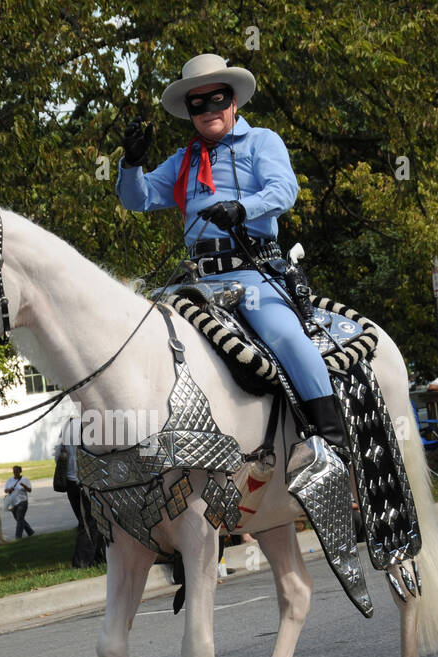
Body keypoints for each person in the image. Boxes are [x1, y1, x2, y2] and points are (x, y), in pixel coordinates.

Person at [116, 53, 346, 454]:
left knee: (285, 336)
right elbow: (140, 199)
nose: (209, 110)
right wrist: (131, 163)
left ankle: (333, 444)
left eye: (217, 99)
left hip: (254, 273)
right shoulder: (183, 159)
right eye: (198, 104)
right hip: (196, 282)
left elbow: (283, 191)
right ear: (189, 112)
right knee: (137, 331)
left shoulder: (262, 141)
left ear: (233, 101)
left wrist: (243, 209)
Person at [57, 416, 106, 567]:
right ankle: (81, 562)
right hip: (85, 483)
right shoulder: (88, 426)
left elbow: (58, 454)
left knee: (86, 521)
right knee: (90, 522)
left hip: (71, 483)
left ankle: (99, 558)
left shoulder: (67, 427)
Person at [4, 465, 34, 539]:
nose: (15, 473)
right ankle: (30, 531)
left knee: (20, 518)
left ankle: (18, 536)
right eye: (14, 471)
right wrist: (9, 490)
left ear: (20, 471)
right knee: (18, 519)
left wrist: (24, 486)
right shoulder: (10, 480)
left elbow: (30, 490)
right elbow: (5, 490)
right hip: (13, 503)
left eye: (17, 471)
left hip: (22, 502)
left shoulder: (25, 479)